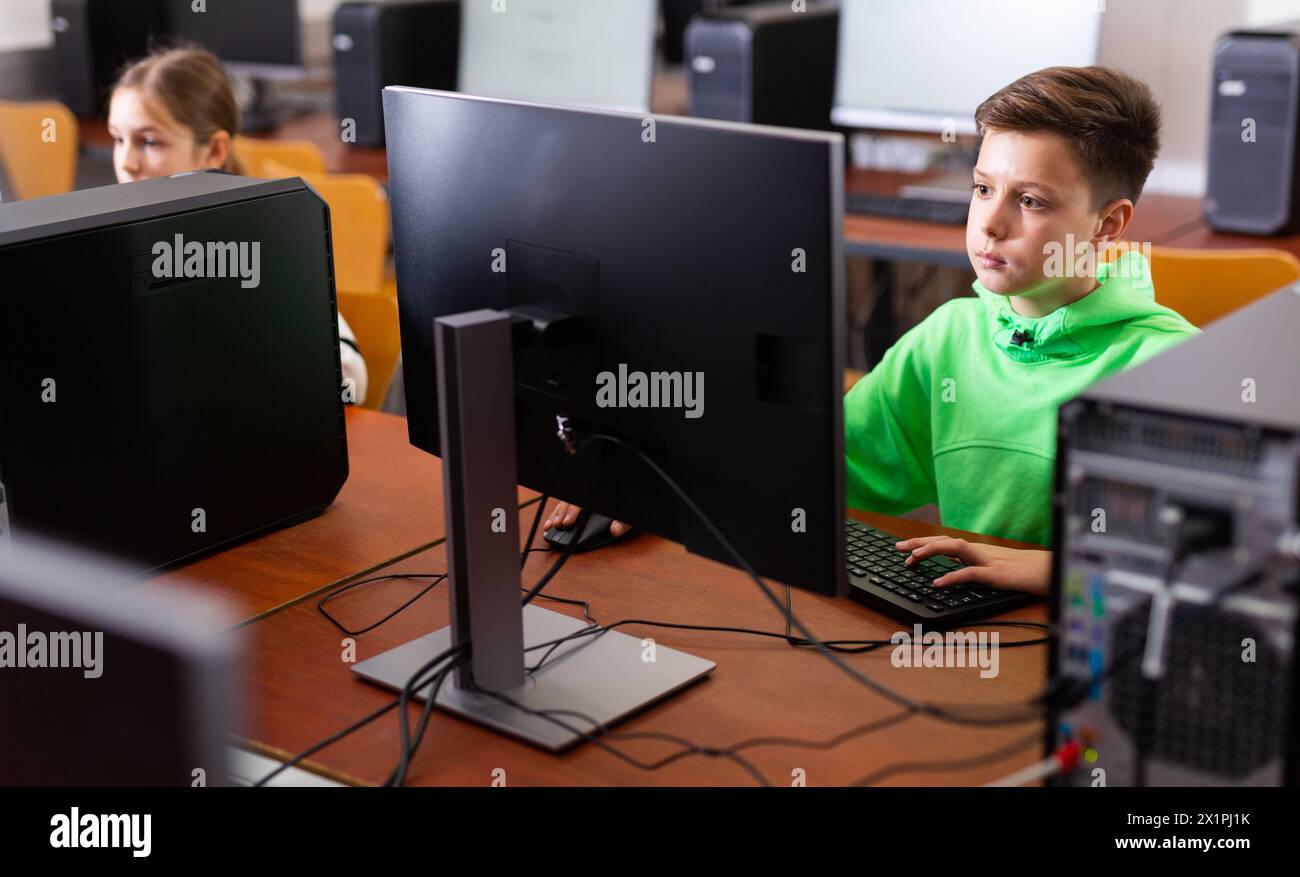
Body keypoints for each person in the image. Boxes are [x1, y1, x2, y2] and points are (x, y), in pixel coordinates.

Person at [547, 66, 1199, 596]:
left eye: (1029, 201)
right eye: (981, 189)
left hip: (1086, 657)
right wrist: (656, 487)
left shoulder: (1166, 365)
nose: (989, 223)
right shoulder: (952, 336)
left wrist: (1053, 571)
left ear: (1109, 225)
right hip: (967, 634)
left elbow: (1231, 566)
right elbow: (821, 467)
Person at [107, 46, 368, 403]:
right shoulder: (118, 244)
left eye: (150, 141)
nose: (127, 162)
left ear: (214, 151)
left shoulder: (253, 248)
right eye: (118, 139)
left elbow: (350, 378)